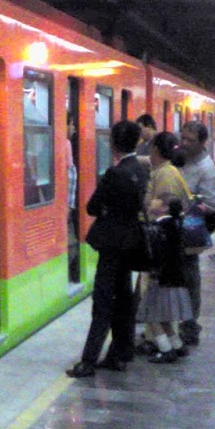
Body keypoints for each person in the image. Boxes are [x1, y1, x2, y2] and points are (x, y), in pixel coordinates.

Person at [67, 119, 145, 378]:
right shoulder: (140, 169)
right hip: (131, 242)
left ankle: (88, 360)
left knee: (102, 302)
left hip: (111, 244)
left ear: (113, 143)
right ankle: (121, 353)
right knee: (124, 299)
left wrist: (107, 210)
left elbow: (92, 206)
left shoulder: (116, 173)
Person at [138, 131, 193, 363]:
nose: (149, 152)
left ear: (158, 151)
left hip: (161, 253)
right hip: (166, 253)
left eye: (151, 148)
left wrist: (145, 205)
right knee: (162, 303)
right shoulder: (165, 170)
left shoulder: (166, 174)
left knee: (151, 303)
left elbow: (162, 206)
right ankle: (175, 344)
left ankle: (165, 347)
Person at [177, 120, 215, 346]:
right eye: (182, 138)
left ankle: (190, 324)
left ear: (202, 142)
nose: (183, 143)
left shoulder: (206, 169)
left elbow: (211, 204)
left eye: (190, 140)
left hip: (188, 233)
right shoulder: (179, 157)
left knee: (189, 279)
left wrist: (186, 203)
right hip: (171, 229)